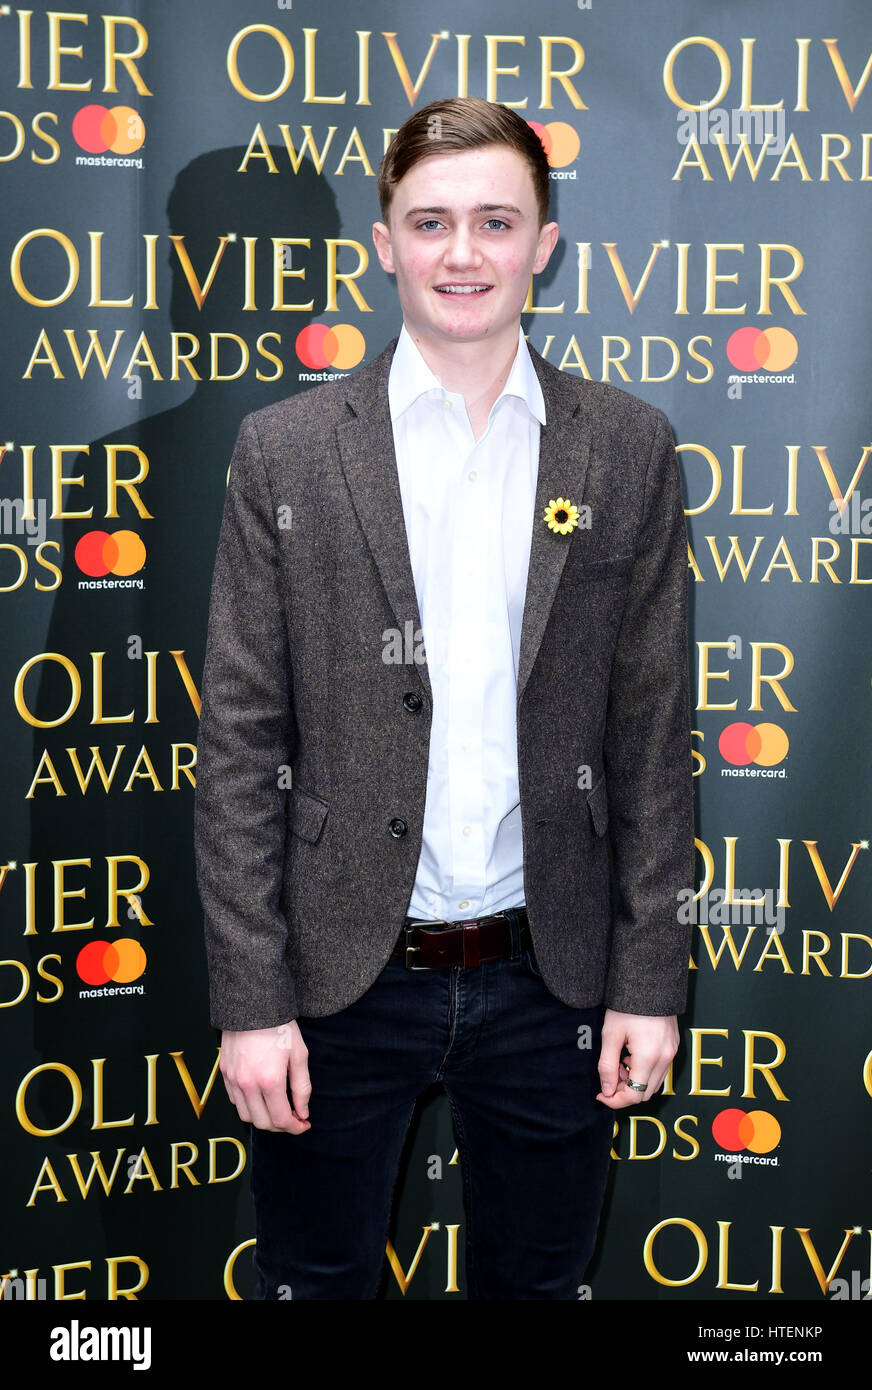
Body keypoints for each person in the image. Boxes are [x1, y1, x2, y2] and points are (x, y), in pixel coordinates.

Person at [194, 95, 695, 1301]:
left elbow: (650, 740)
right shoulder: (287, 449)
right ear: (382, 244)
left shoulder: (626, 446)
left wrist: (648, 981)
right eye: (429, 222)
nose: (461, 253)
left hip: (550, 974)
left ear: (544, 242)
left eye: (492, 221)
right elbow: (239, 741)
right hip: (334, 979)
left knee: (538, 1285)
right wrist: (252, 1000)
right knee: (315, 1284)